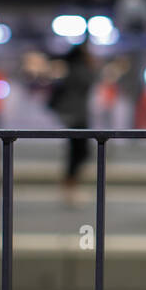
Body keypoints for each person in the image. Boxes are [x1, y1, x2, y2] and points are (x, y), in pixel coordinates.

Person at [48, 41, 97, 208]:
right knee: (79, 152)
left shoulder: (71, 69)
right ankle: (69, 187)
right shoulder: (80, 70)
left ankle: (69, 186)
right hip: (77, 117)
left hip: (73, 116)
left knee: (77, 152)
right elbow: (90, 80)